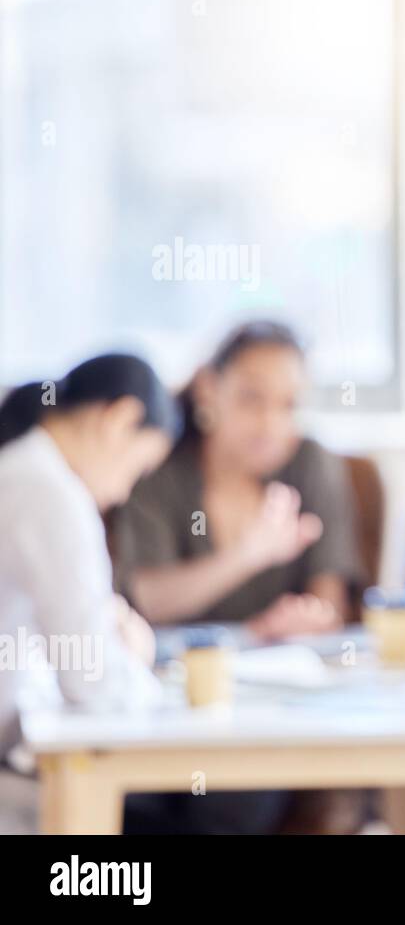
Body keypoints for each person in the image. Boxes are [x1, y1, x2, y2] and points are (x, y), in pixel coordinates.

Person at [0, 354, 177, 833]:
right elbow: (92, 679)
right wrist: (136, 656)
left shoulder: (22, 468)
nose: (123, 494)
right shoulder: (49, 490)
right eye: (138, 469)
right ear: (119, 420)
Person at [112, 321, 363, 640]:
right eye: (251, 398)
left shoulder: (310, 464)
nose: (270, 424)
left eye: (288, 404)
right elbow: (147, 601)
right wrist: (247, 556)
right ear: (208, 389)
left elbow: (331, 603)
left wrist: (308, 620)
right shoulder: (158, 470)